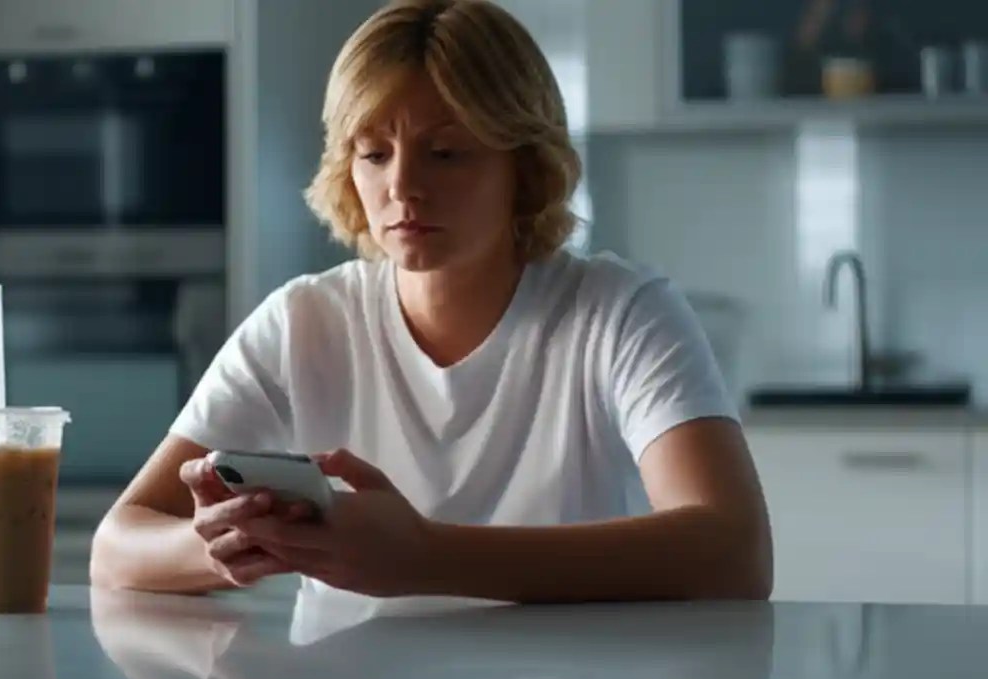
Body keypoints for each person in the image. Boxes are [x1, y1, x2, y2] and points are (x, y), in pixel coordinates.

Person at [91, 0, 773, 603]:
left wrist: (425, 557)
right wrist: (220, 548)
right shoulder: (302, 323)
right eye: (374, 153)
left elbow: (734, 550)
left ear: (525, 168)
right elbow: (118, 545)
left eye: (446, 153)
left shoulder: (619, 312)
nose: (403, 187)